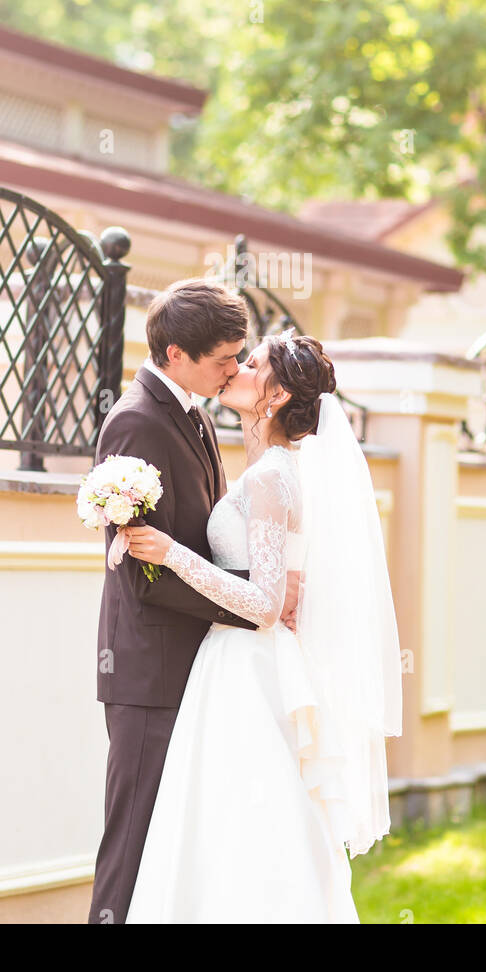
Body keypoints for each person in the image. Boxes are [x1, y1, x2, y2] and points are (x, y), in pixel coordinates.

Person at [121, 327, 403, 923]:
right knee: (225, 820)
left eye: (249, 364)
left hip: (248, 668)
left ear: (274, 396)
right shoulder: (264, 466)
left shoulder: (274, 475)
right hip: (230, 663)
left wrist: (171, 553)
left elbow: (267, 604)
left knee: (248, 818)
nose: (234, 370)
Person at [87, 278, 302, 925]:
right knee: (133, 840)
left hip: (201, 667)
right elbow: (141, 574)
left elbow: (209, 535)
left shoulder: (199, 415)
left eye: (240, 356)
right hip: (152, 671)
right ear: (176, 353)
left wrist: (270, 590)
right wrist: (253, 605)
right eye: (223, 360)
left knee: (173, 849)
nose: (235, 369)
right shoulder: (135, 422)